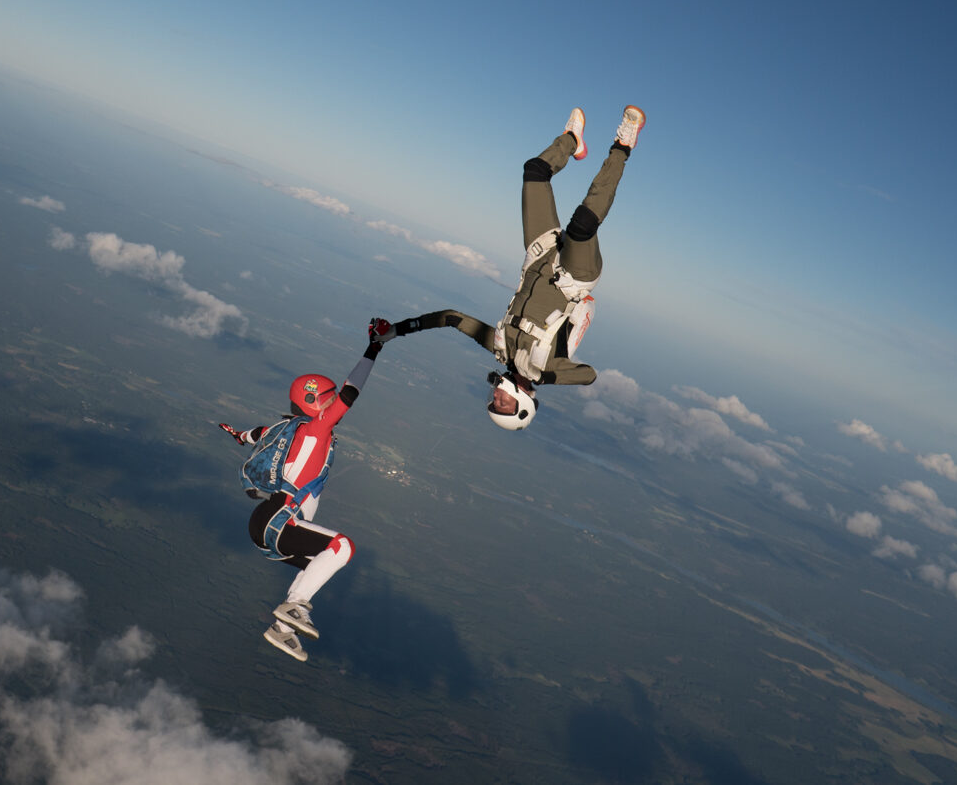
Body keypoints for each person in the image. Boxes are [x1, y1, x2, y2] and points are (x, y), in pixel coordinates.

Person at [381, 105, 645, 430]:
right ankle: (623, 146)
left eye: (493, 402)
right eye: (502, 405)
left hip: (539, 257)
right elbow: (588, 376)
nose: (496, 397)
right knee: (583, 223)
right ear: (523, 406)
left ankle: (571, 141)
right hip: (574, 277)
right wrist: (543, 375)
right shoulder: (543, 366)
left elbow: (453, 318)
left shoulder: (501, 347)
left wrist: (397, 330)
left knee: (534, 171)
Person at [217, 318, 394, 661]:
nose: (333, 408)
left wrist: (240, 436)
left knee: (321, 563)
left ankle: (283, 628)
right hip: (280, 520)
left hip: (266, 523)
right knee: (342, 547)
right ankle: (294, 608)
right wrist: (375, 346)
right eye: (326, 402)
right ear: (315, 403)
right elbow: (351, 391)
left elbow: (259, 432)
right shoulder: (317, 429)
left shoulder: (288, 428)